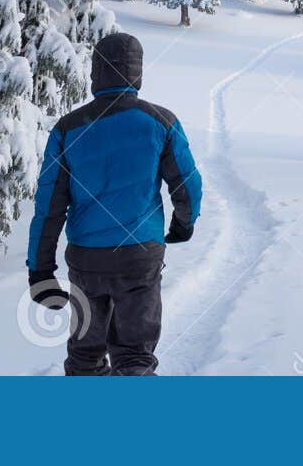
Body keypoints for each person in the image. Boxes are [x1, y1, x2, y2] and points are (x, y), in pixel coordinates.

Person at [26, 31, 203, 375]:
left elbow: (49, 206)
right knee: (135, 356)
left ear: (96, 73)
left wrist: (40, 271)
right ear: (137, 73)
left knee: (84, 355)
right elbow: (188, 185)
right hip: (140, 256)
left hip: (87, 261)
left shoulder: (67, 129)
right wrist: (183, 224)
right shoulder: (161, 121)